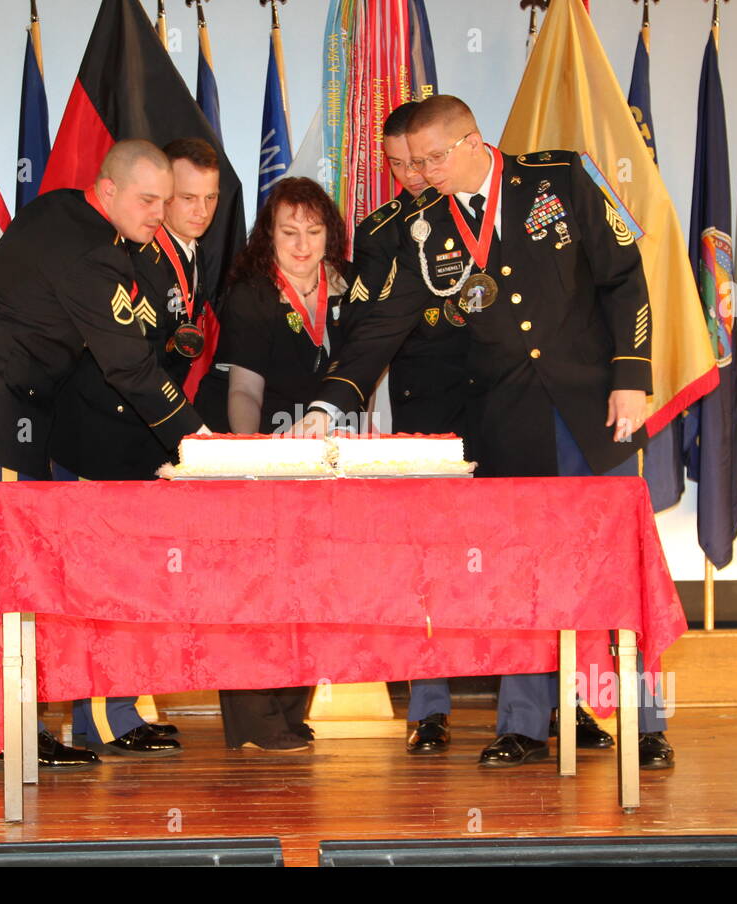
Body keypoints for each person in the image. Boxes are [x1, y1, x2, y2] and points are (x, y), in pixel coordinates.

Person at [303, 95, 673, 770]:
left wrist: (632, 373)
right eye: (412, 164)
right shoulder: (426, 229)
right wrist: (325, 407)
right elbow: (379, 328)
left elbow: (625, 277)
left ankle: (645, 722)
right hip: (512, 420)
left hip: (595, 406)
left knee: (614, 568)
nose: (423, 174)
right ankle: (524, 725)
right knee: (523, 577)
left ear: (474, 143)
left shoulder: (559, 179)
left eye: (433, 159)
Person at [0, 140, 205, 768]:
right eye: (148, 200)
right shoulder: (91, 249)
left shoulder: (70, 216)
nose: (160, 213)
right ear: (107, 189)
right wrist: (197, 440)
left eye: (165, 200)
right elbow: (128, 362)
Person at [48, 138, 223, 758]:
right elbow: (121, 362)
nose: (196, 211)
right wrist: (190, 436)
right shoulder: (131, 254)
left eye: (210, 200)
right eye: (181, 199)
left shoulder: (189, 256)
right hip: (98, 435)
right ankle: (95, 717)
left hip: (144, 434)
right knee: (94, 584)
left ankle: (120, 707)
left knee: (130, 583)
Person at [348, 101, 471, 756]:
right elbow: (369, 331)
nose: (412, 177)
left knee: (514, 556)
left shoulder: (480, 207)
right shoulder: (382, 229)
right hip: (423, 409)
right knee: (429, 561)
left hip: (499, 402)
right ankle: (429, 705)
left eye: (420, 162)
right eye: (397, 166)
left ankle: (552, 703)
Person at [214, 176, 349, 750]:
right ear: (267, 235)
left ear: (330, 234)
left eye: (313, 232)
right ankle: (256, 720)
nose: (301, 245)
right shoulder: (251, 294)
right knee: (258, 592)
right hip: (267, 454)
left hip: (328, 458)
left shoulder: (348, 289)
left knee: (315, 588)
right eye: (288, 232)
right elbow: (244, 389)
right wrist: (251, 457)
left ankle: (293, 709)